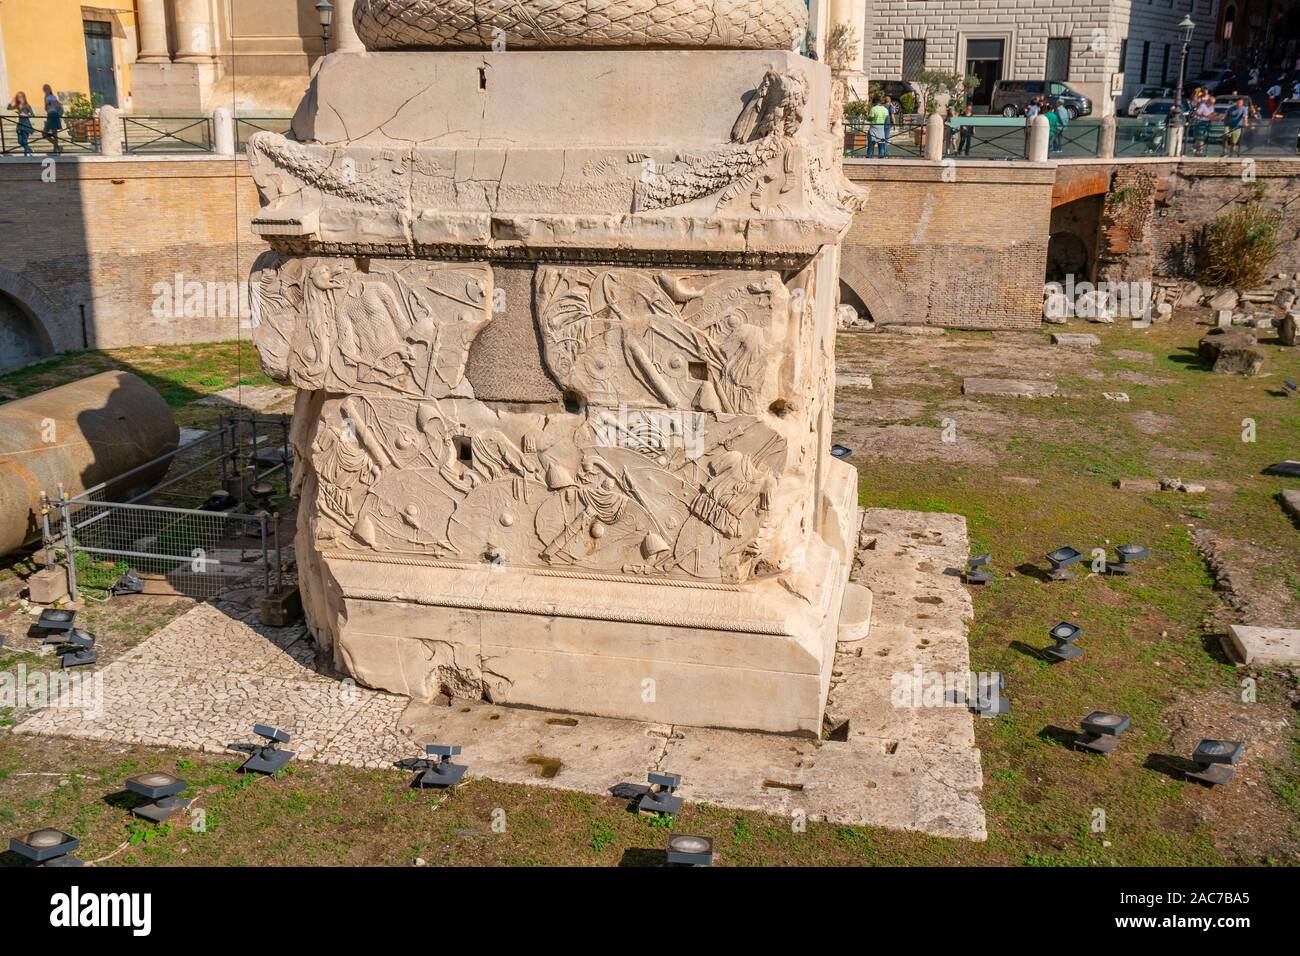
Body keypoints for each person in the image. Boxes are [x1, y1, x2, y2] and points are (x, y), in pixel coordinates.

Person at [8, 91, 34, 156]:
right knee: (19, 141)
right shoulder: (17, 105)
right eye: (18, 97)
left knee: (25, 141)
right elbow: (8, 108)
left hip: (26, 124)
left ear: (24, 97)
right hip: (19, 124)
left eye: (21, 97)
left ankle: (26, 155)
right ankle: (29, 150)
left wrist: (25, 115)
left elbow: (33, 115)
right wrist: (12, 101)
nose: (19, 98)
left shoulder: (27, 105)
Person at [40, 84, 62, 154]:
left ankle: (56, 149)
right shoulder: (46, 97)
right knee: (46, 134)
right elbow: (46, 108)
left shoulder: (52, 97)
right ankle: (57, 147)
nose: (46, 90)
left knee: (52, 133)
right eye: (45, 89)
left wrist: (52, 105)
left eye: (47, 88)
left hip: (53, 115)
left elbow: (58, 105)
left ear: (50, 89)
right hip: (50, 115)